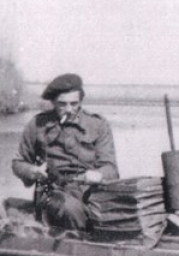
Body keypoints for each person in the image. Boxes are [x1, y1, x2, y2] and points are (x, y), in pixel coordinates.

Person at [11, 73, 119, 230]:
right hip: (51, 193)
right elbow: (18, 163)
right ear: (53, 102)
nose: (68, 109)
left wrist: (98, 175)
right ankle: (83, 246)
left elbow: (111, 169)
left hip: (89, 192)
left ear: (81, 101)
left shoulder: (98, 125)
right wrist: (33, 171)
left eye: (74, 104)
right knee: (69, 209)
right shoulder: (37, 124)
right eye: (62, 104)